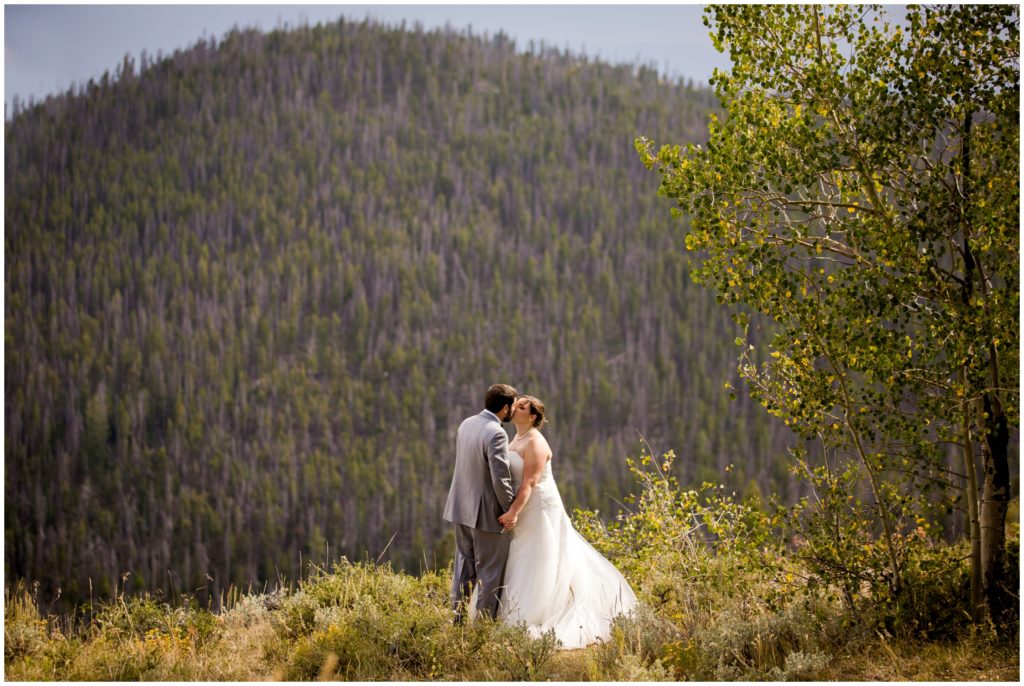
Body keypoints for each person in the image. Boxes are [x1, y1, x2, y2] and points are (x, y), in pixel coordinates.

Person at [497, 394, 637, 649]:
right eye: (516, 404)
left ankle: (538, 612)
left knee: (540, 554)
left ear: (533, 417)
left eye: (522, 406)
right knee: (523, 554)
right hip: (525, 504)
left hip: (538, 506)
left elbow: (530, 482)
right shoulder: (516, 437)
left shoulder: (536, 443)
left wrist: (513, 512)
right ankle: (515, 610)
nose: (515, 407)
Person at [442, 383, 518, 622]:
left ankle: (458, 623)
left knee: (464, 570)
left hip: (460, 508)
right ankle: (482, 631)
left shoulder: (467, 423)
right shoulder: (496, 433)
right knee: (489, 573)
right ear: (505, 408)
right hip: (486, 514)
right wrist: (510, 510)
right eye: (513, 406)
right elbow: (500, 478)